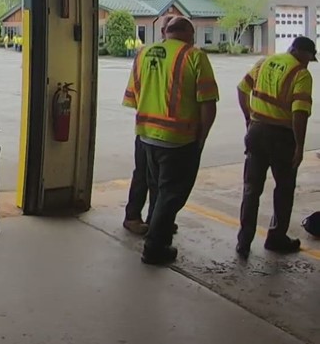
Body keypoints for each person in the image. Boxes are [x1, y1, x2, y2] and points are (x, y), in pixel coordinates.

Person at [122, 16, 218, 265]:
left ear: (167, 32)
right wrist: (202, 137)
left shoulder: (143, 53)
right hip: (179, 140)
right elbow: (207, 103)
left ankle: (157, 230)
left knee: (158, 190)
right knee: (171, 194)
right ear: (189, 33)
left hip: (146, 135)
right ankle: (155, 247)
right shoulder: (194, 56)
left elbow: (133, 96)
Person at [235, 36, 315, 256]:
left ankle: (244, 241)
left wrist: (248, 118)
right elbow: (299, 114)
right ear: (301, 52)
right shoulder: (301, 73)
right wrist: (299, 146)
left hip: (256, 131)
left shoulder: (265, 62)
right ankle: (276, 237)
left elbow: (241, 89)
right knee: (284, 189)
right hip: (282, 138)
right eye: (310, 57)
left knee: (251, 190)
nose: (309, 62)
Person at [124, 16, 172, 235]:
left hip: (146, 127)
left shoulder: (144, 54)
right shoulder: (183, 56)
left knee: (150, 177)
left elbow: (133, 91)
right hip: (163, 131)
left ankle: (151, 219)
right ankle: (143, 219)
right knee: (152, 179)